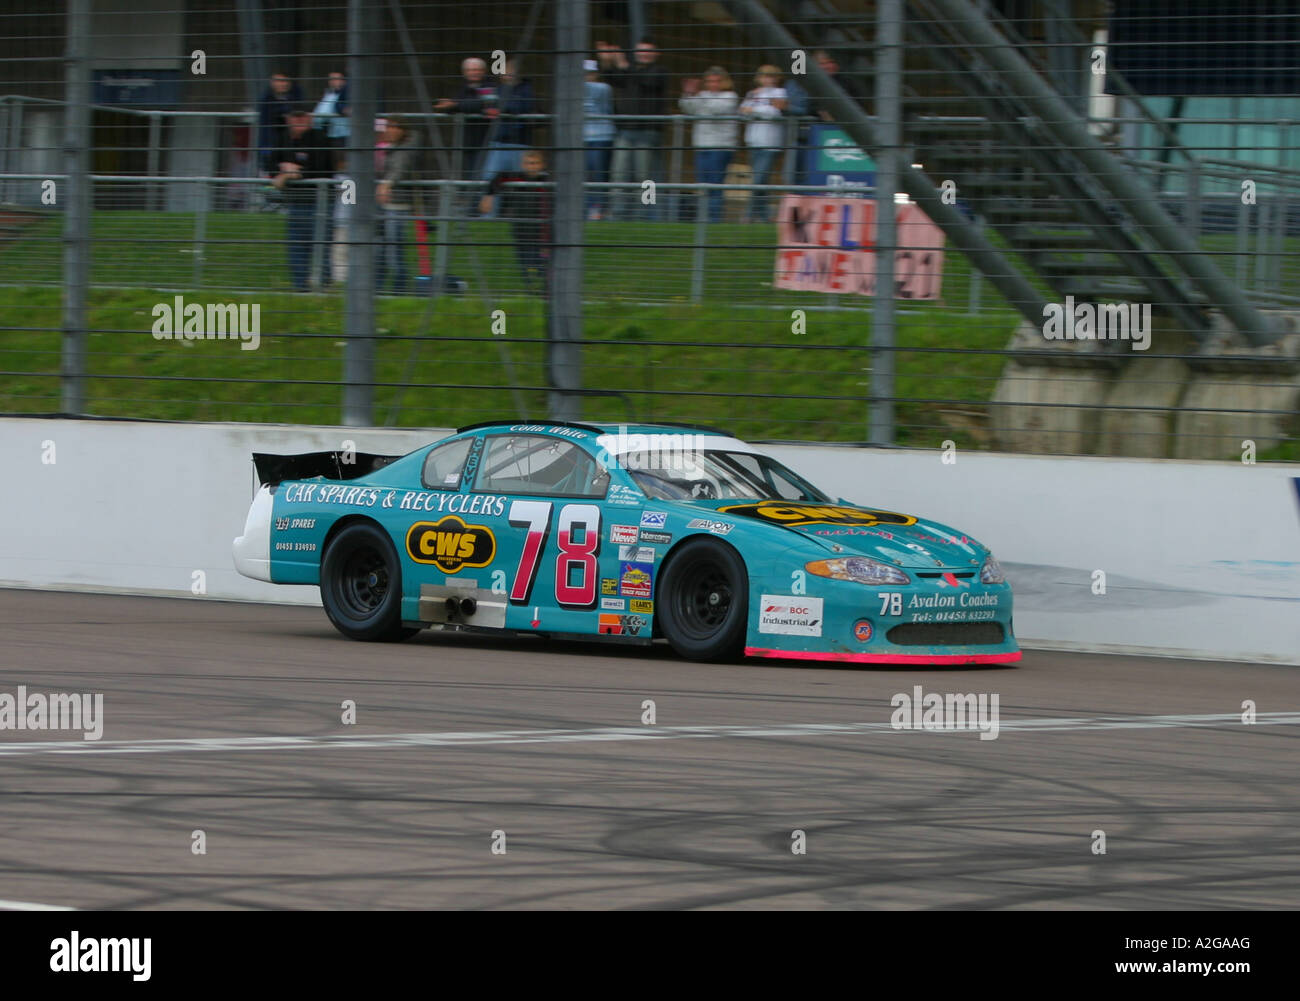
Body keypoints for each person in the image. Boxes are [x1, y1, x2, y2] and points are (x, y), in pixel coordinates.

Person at [596, 38, 668, 220]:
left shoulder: (659, 71)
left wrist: (624, 65)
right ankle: (617, 214)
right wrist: (606, 61)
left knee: (645, 177)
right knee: (618, 174)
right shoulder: (631, 71)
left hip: (648, 133)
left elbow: (648, 82)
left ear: (656, 53)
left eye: (648, 50)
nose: (644, 54)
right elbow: (612, 78)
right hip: (625, 131)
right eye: (640, 50)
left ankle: (645, 215)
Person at [271, 107, 336, 291]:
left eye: (302, 117)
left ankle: (324, 286)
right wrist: (282, 166)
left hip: (320, 202)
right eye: (295, 116)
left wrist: (294, 173)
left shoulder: (320, 138)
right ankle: (300, 287)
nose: (298, 121)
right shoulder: (284, 138)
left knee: (321, 245)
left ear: (310, 118)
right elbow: (269, 163)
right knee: (296, 246)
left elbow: (323, 169)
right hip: (296, 202)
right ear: (289, 118)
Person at [478, 149, 551, 294]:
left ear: (542, 165)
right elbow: (498, 178)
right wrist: (488, 197)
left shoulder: (548, 182)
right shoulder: (516, 178)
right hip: (520, 229)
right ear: (522, 165)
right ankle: (529, 286)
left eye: (535, 163)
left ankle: (542, 285)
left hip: (541, 230)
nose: (532, 167)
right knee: (524, 260)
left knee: (540, 262)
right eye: (528, 163)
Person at [679, 66, 739, 224]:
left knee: (715, 184)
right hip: (702, 145)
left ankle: (714, 220)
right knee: (702, 184)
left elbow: (716, 110)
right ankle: (703, 219)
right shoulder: (702, 95)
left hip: (720, 146)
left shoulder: (730, 96)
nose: (713, 85)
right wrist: (689, 93)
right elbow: (687, 107)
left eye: (717, 81)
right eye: (710, 81)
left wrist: (698, 99)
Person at [374, 115, 421, 294]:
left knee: (394, 251)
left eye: (396, 127)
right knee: (379, 249)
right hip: (383, 206)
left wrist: (386, 184)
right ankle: (377, 289)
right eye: (389, 127)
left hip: (397, 206)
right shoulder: (390, 149)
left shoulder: (405, 149)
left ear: (403, 130)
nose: (391, 130)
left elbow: (399, 170)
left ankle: (398, 290)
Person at [435, 57, 499, 184]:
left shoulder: (489, 86)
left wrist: (456, 105)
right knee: (471, 177)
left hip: (486, 140)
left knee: (484, 177)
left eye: (476, 70)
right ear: (464, 72)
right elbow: (453, 107)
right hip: (470, 141)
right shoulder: (464, 88)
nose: (473, 73)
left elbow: (483, 104)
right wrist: (452, 105)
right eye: (470, 70)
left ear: (483, 71)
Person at [740, 65, 788, 222]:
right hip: (754, 141)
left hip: (770, 142)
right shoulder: (752, 93)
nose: (768, 79)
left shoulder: (780, 93)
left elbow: (774, 113)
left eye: (771, 76)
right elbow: (742, 112)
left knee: (758, 180)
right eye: (765, 76)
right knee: (761, 181)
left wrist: (754, 110)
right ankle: (764, 216)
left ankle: (747, 215)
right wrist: (756, 110)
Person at [479, 59, 537, 185]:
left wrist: (501, 108)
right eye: (503, 71)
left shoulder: (526, 90)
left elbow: (522, 107)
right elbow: (486, 105)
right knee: (489, 179)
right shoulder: (498, 89)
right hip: (498, 141)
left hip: (520, 143)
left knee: (519, 181)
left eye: (508, 71)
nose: (504, 74)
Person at [582, 59, 615, 220]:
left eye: (590, 73)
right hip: (582, 137)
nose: (587, 77)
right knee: (584, 175)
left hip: (602, 135)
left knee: (599, 174)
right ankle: (588, 207)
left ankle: (599, 208)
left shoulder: (603, 88)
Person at [257, 71, 303, 173]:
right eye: (280, 81)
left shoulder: (294, 99)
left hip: (291, 144)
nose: (283, 84)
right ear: (272, 83)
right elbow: (265, 126)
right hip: (271, 143)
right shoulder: (266, 101)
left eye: (285, 81)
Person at [312, 70, 350, 149]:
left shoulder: (345, 95)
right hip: (330, 132)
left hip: (344, 133)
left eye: (336, 79)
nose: (333, 81)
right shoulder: (327, 94)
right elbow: (319, 116)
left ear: (343, 81)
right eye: (331, 79)